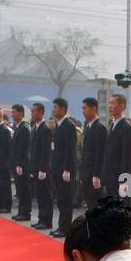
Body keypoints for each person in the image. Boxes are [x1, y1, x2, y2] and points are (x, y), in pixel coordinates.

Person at [101, 92, 131, 203]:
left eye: (113, 103)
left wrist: (124, 181)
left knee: (122, 210)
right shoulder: (112, 125)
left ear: (122, 106)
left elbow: (129, 157)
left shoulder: (127, 128)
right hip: (110, 177)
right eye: (109, 103)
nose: (110, 106)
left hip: (122, 178)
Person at [49, 98, 77, 234]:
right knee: (60, 199)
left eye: (55, 107)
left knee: (66, 199)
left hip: (64, 170)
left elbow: (69, 150)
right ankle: (61, 225)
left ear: (62, 109)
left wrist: (67, 169)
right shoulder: (58, 126)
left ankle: (66, 227)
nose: (53, 110)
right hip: (56, 168)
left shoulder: (69, 126)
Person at [79, 97, 107, 208]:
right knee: (89, 203)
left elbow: (100, 153)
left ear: (94, 109)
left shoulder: (100, 128)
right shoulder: (88, 126)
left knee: (95, 204)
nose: (83, 111)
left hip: (93, 174)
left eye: (85, 108)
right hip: (86, 173)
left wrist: (97, 175)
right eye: (82, 108)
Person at [30, 102, 54, 230]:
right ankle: (41, 218)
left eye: (34, 111)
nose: (32, 113)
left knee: (45, 195)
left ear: (40, 112)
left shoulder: (45, 129)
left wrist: (43, 169)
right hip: (35, 167)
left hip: (42, 168)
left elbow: (46, 151)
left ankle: (47, 220)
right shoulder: (35, 127)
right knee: (39, 195)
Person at [9, 104, 32, 221]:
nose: (12, 115)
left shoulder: (24, 127)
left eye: (14, 112)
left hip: (22, 164)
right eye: (12, 112)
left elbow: (24, 148)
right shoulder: (18, 127)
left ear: (21, 113)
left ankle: (25, 212)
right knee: (20, 189)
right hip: (17, 163)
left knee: (24, 189)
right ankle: (21, 211)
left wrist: (19, 164)